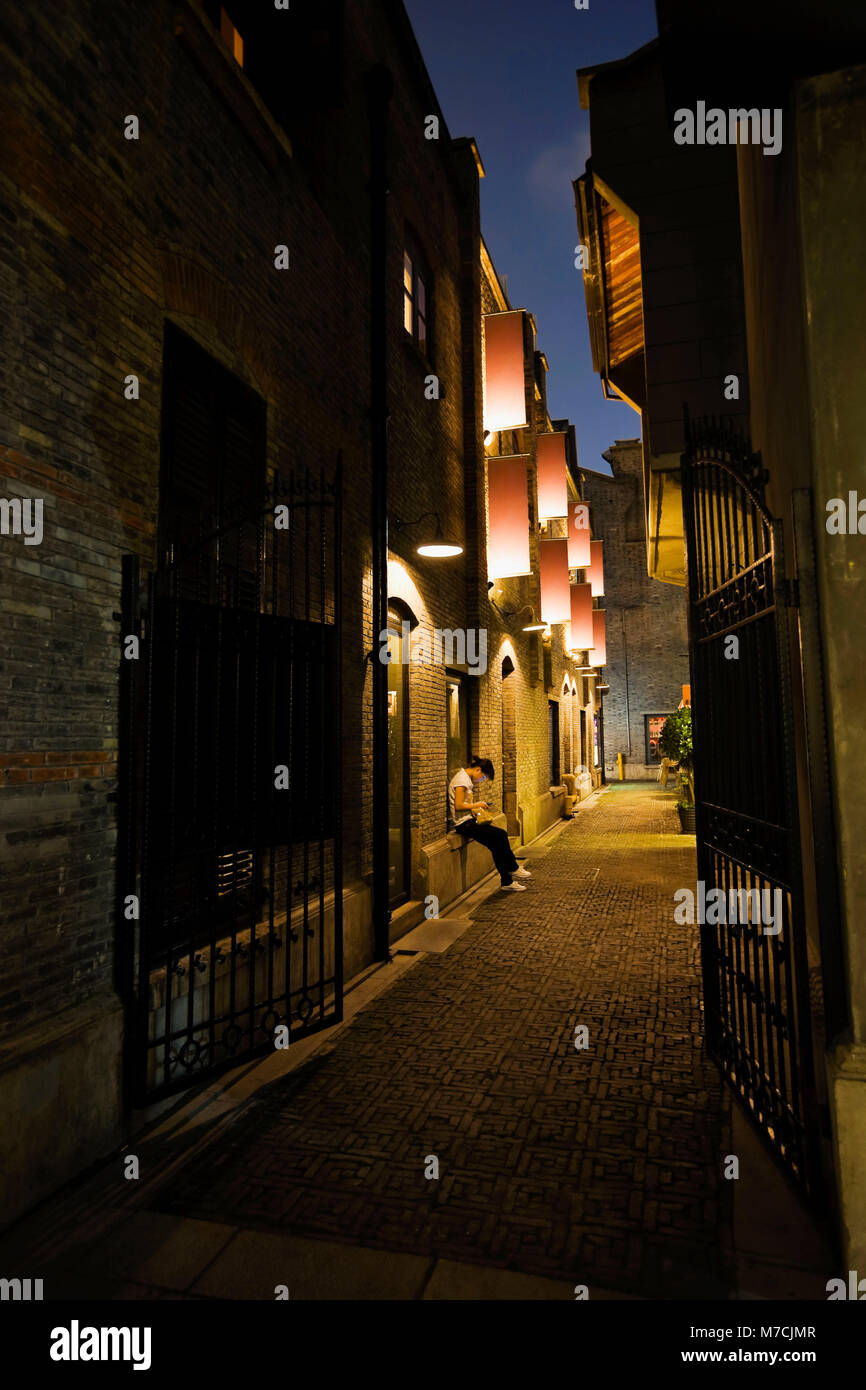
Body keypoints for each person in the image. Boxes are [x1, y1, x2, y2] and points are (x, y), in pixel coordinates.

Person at [448, 756, 532, 892]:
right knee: (501, 834)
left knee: (496, 845)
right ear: (477, 770)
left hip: (468, 820)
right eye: (482, 777)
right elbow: (458, 805)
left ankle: (507, 881)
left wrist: (477, 806)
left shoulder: (465, 779)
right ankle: (513, 868)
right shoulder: (461, 781)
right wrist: (478, 804)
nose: (481, 780)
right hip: (463, 824)